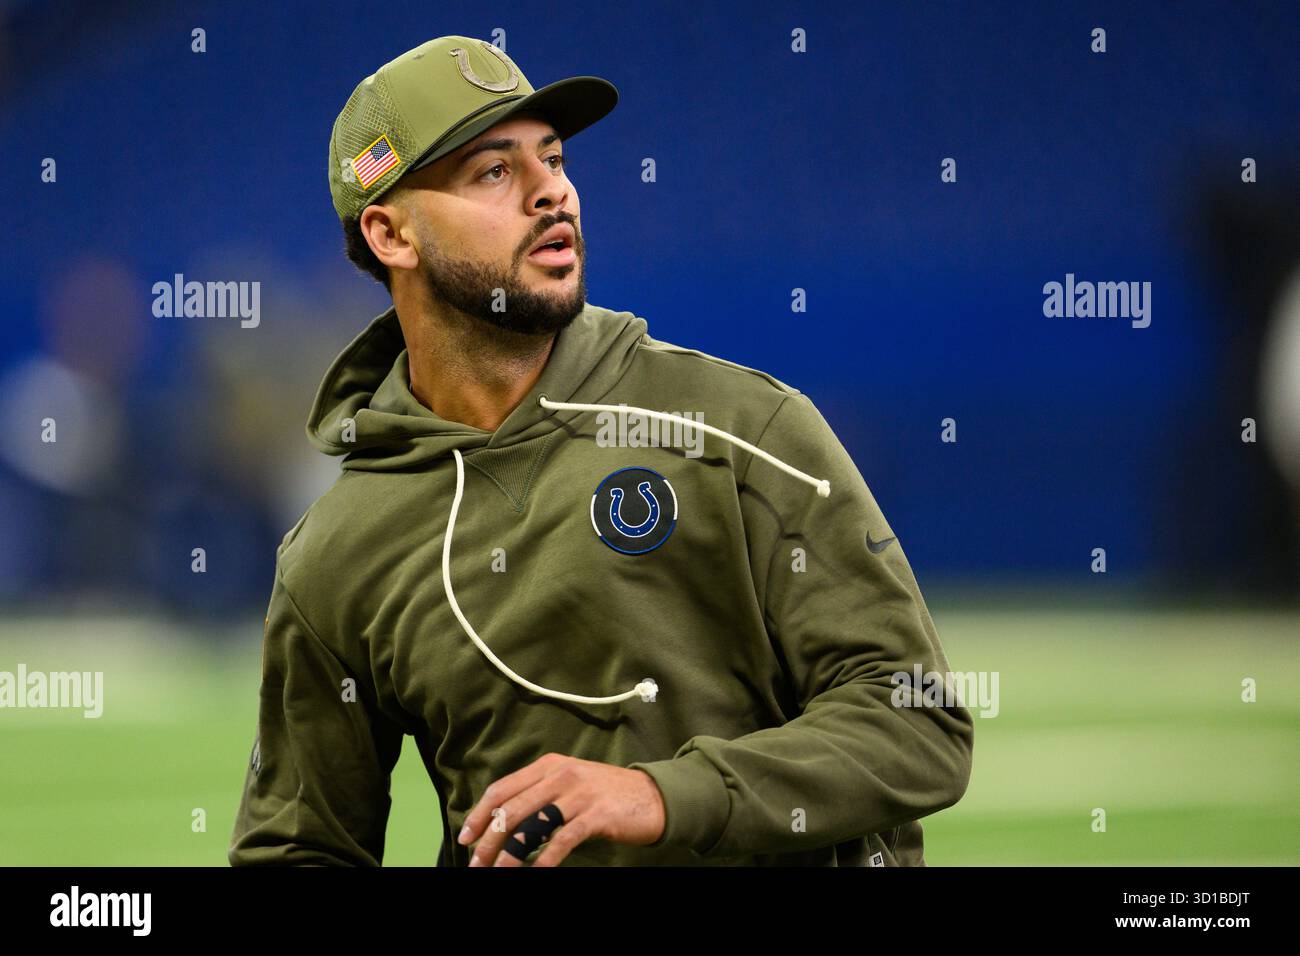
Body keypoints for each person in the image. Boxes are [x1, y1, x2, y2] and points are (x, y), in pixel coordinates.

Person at [228, 34, 974, 868]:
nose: (553, 193)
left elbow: (918, 722)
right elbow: (298, 848)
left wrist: (663, 796)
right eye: (495, 172)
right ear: (390, 233)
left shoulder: (744, 427)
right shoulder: (334, 552)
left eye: (554, 159)